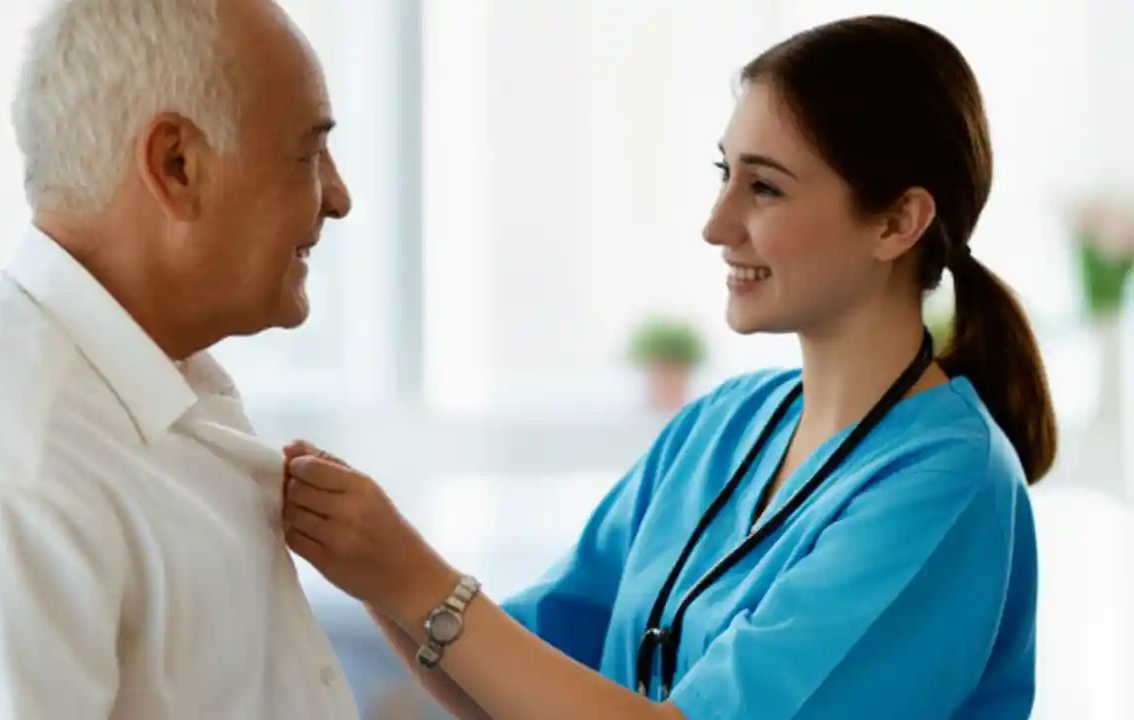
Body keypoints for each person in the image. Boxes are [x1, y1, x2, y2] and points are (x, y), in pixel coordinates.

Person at [281, 15, 1055, 720]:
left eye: (765, 187)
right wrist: (373, 567)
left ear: (897, 222)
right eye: (725, 174)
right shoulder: (719, 429)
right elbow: (503, 685)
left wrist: (410, 576)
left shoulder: (946, 486)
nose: (717, 224)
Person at [0, 0, 358, 717]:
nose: (338, 198)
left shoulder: (144, 389)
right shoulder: (9, 467)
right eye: (308, 155)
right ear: (177, 165)